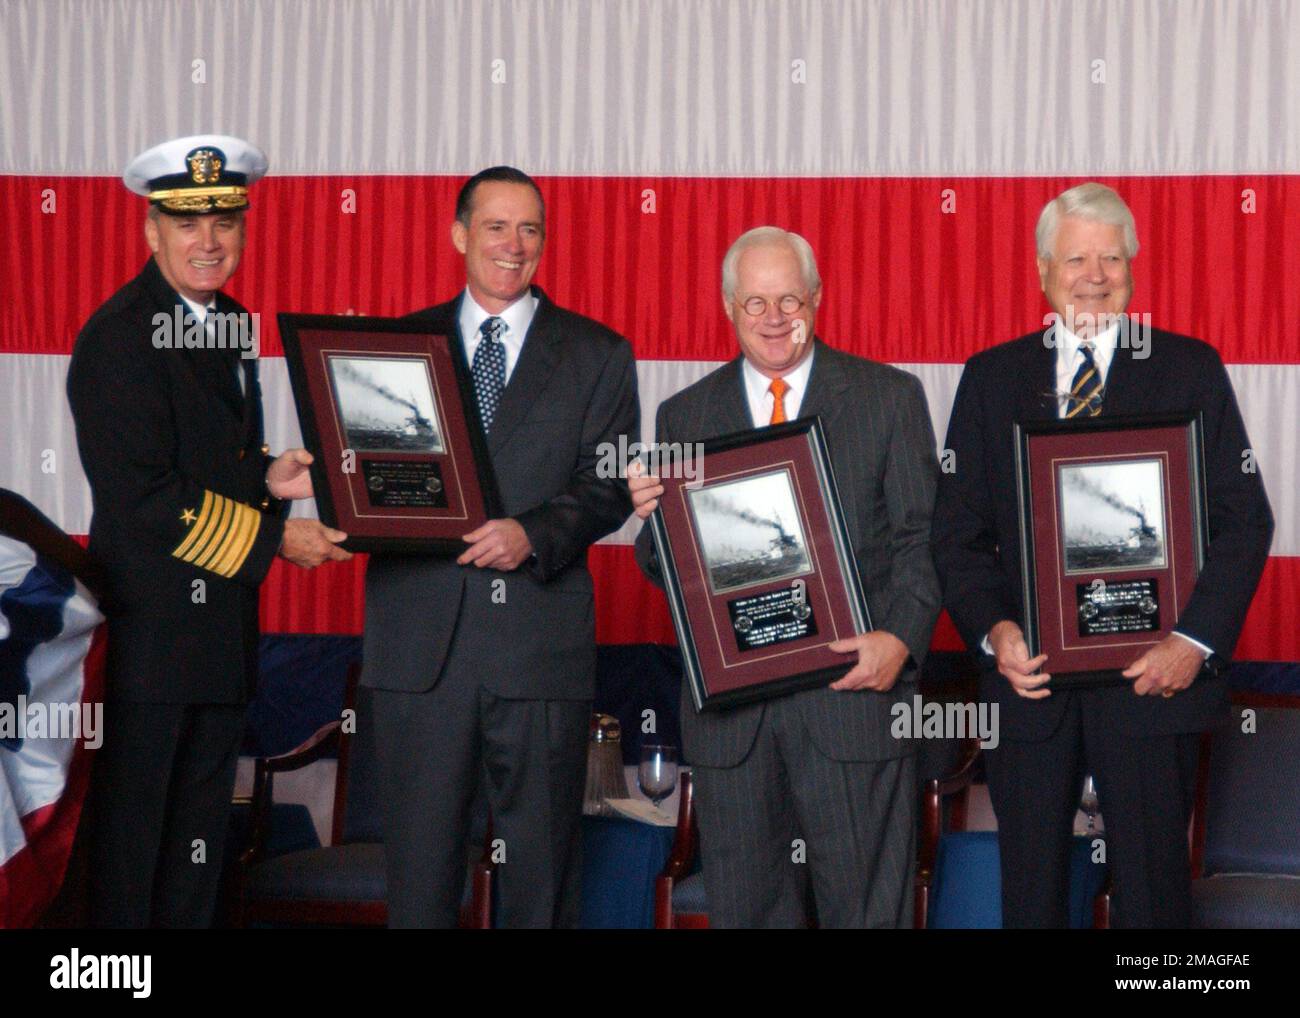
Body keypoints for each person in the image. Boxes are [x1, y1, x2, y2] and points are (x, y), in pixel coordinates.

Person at [931, 182, 1274, 928]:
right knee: (1030, 900)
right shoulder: (992, 378)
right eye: (1076, 258)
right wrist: (995, 634)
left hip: (1154, 684)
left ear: (1133, 267)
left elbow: (1245, 522)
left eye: (1110, 257)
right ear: (1043, 273)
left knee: (1154, 903)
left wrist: (1193, 642)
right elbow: (955, 534)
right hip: (1031, 692)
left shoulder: (1189, 368)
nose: (1094, 274)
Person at [66, 135, 352, 928]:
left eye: (226, 219)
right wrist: (275, 541)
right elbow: (143, 497)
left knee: (196, 856)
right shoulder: (119, 336)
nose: (210, 240)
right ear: (150, 229)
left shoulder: (226, 323)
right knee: (133, 857)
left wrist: (268, 475)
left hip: (218, 640)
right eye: (188, 222)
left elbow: (206, 455)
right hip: (149, 644)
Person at [630, 226, 942, 928]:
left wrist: (900, 638)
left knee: (866, 917)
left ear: (818, 301)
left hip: (854, 708)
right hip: (734, 727)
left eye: (789, 301)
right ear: (728, 307)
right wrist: (651, 519)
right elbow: (669, 569)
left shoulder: (888, 398)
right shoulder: (684, 415)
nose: (774, 320)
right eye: (755, 303)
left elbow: (924, 539)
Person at [362, 166, 639, 928]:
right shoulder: (393, 349)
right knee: (419, 882)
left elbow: (607, 484)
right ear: (459, 235)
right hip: (419, 652)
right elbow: (370, 477)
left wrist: (531, 534)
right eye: (495, 226)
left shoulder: (597, 352)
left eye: (530, 230)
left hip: (536, 647)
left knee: (540, 880)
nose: (513, 245)